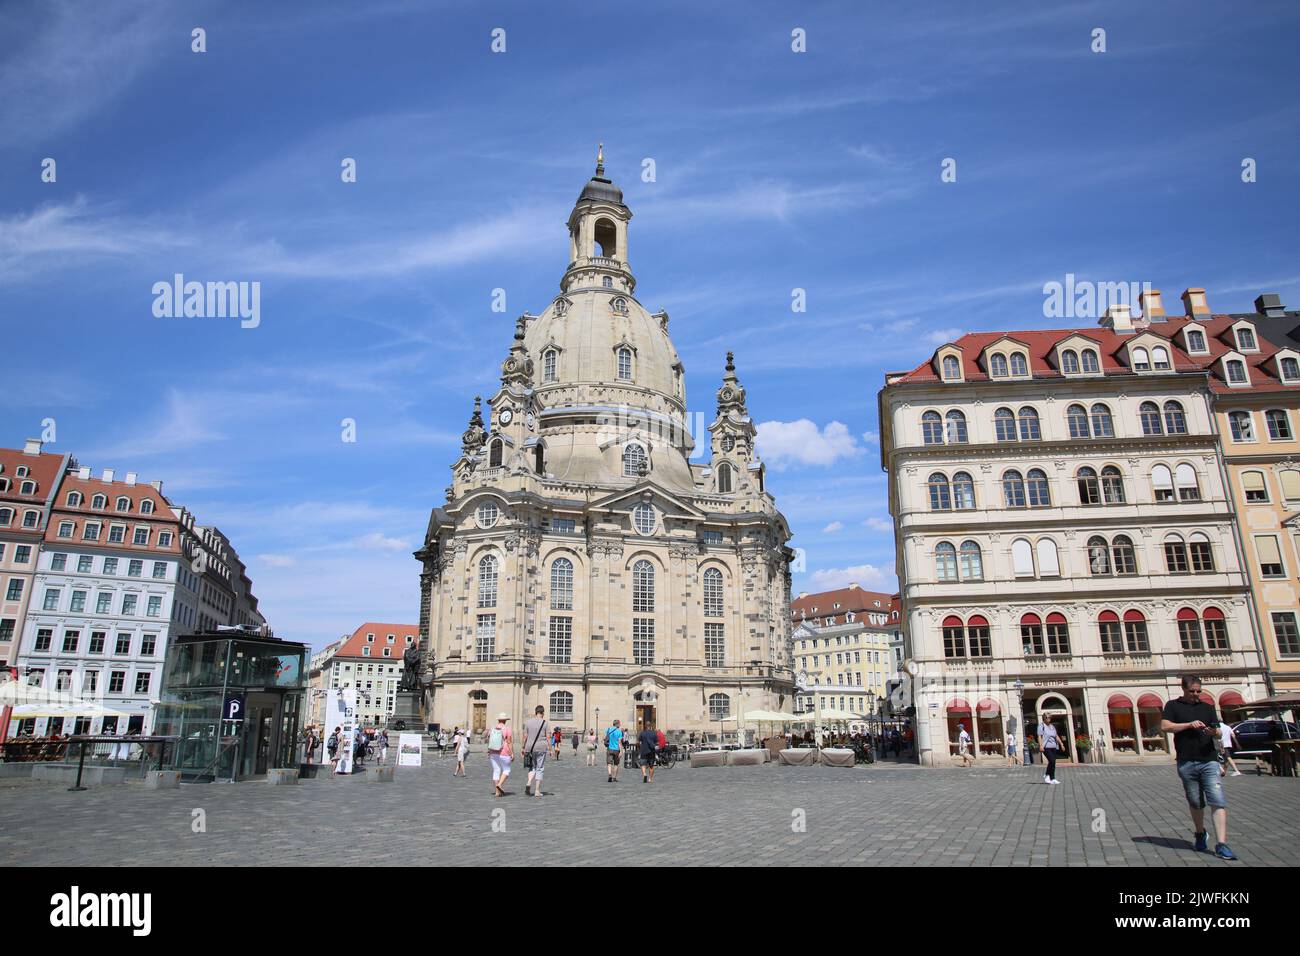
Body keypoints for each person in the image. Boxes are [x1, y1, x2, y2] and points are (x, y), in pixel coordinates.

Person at [1162, 675, 1235, 859]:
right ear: (1184, 689)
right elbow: (1165, 726)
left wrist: (1214, 732)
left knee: (1217, 800)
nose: (1196, 694)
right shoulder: (1173, 706)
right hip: (1186, 761)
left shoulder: (1207, 707)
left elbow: (1218, 733)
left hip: (1209, 760)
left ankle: (1222, 844)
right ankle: (1200, 832)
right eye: (1192, 691)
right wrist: (1188, 725)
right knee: (1195, 801)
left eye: (1198, 691)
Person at [522, 705, 549, 799]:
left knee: (532, 767)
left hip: (530, 747)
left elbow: (525, 736)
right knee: (540, 768)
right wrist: (551, 749)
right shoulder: (545, 723)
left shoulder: (528, 722)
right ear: (543, 713)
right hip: (541, 747)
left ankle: (529, 782)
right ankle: (537, 791)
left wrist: (523, 747)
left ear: (535, 712)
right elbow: (548, 737)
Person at [487, 712, 513, 797]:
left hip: (493, 751)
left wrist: (489, 750)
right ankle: (499, 784)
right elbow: (509, 742)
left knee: (496, 770)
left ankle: (497, 792)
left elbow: (489, 739)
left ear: (498, 720)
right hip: (503, 751)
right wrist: (512, 753)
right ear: (505, 720)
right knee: (506, 770)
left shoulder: (492, 728)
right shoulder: (507, 728)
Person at [1038, 717, 1062, 784]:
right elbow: (1039, 736)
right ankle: (1047, 775)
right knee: (1052, 760)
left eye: (1049, 717)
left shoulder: (1052, 726)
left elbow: (1056, 736)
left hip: (1054, 746)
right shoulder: (1041, 726)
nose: (1049, 719)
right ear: (1044, 718)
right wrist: (1041, 745)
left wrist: (1061, 744)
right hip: (1046, 746)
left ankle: (1052, 778)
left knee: (1053, 762)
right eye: (1047, 717)